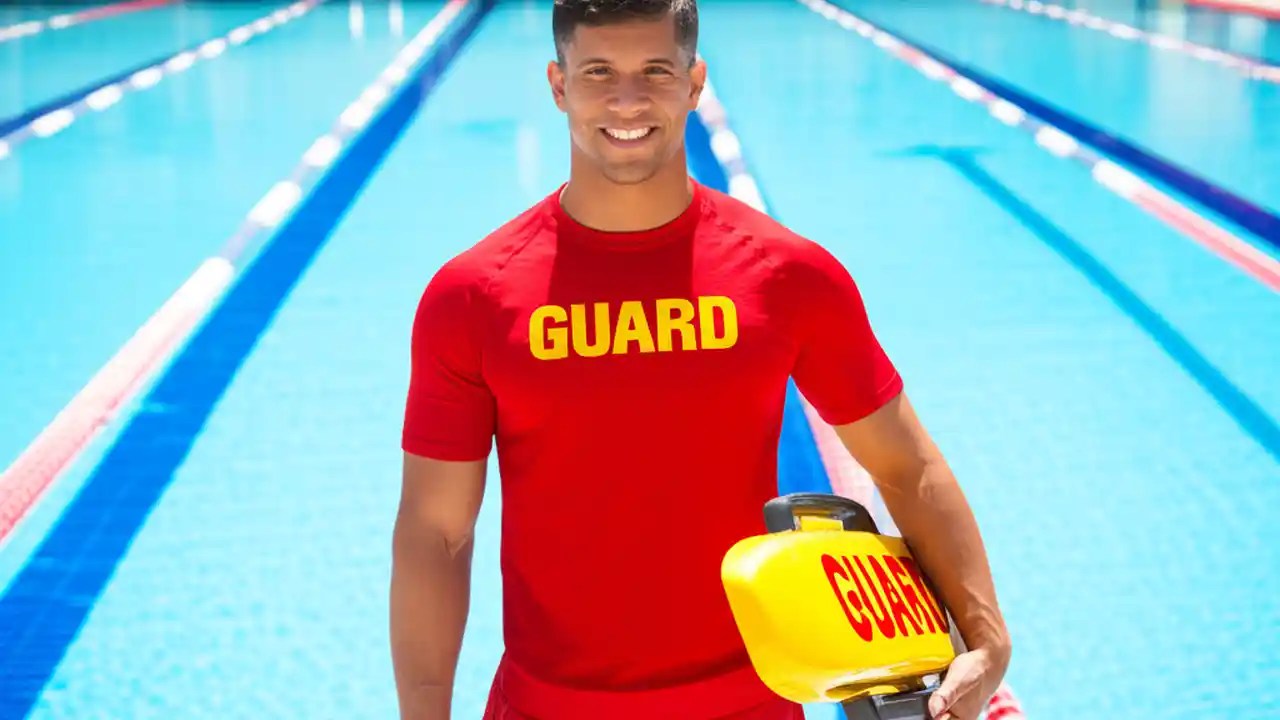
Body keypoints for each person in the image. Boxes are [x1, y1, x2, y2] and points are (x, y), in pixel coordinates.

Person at [389, 0, 1011, 718]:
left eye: (656, 70)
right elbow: (437, 532)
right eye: (599, 72)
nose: (628, 100)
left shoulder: (787, 276)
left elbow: (907, 464)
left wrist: (989, 642)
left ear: (695, 83)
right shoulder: (473, 297)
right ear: (558, 86)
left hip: (750, 703)